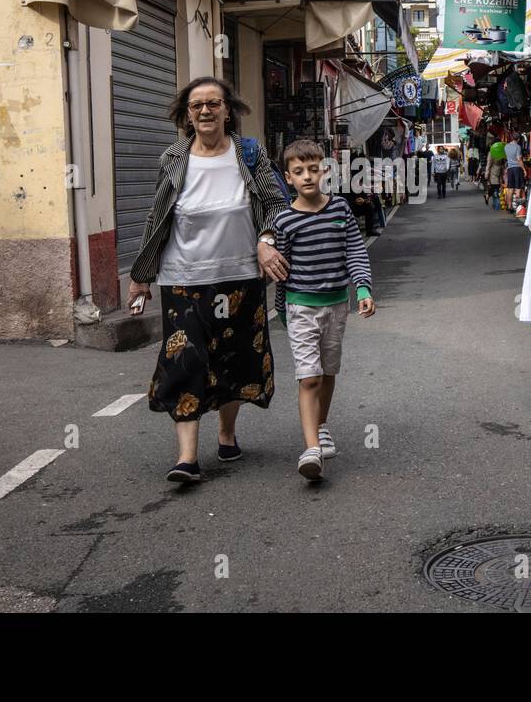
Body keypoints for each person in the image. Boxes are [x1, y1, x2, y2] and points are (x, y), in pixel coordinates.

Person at [127, 77, 289, 484]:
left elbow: (274, 203)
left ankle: (227, 433)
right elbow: (157, 217)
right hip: (183, 280)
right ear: (186, 114)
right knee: (185, 359)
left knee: (234, 358)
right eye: (196, 105)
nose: (204, 111)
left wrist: (267, 239)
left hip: (240, 278)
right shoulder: (174, 159)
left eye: (213, 103)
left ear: (227, 110)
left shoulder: (249, 155)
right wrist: (141, 277)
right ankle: (186, 458)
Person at [274, 139, 376, 481]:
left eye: (313, 170)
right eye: (299, 172)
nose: (307, 177)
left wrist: (362, 288)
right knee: (310, 377)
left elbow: (355, 251)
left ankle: (321, 425)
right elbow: (281, 271)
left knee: (329, 370)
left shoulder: (340, 210)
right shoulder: (285, 220)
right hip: (301, 305)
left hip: (336, 305)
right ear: (288, 178)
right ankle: (312, 448)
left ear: (325, 171)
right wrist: (283, 311)